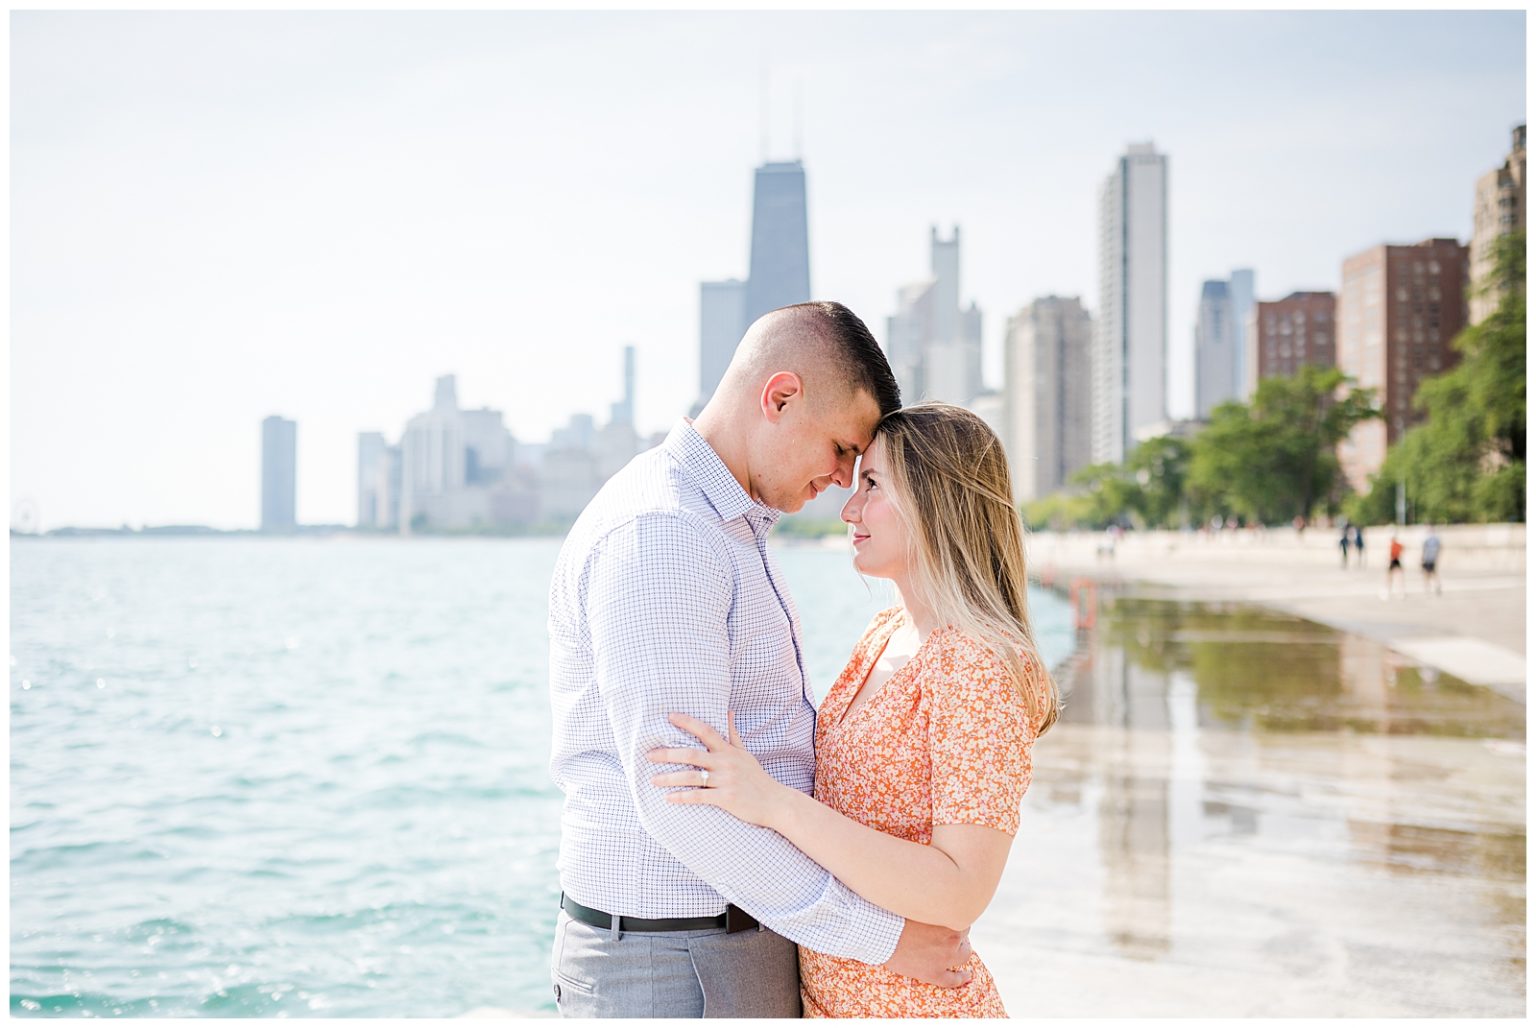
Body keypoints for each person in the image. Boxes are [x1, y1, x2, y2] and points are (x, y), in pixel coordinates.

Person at [546, 302, 971, 1018]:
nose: (843, 480)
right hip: (676, 959)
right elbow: (682, 805)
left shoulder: (725, 526)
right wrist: (882, 937)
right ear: (779, 397)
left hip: (724, 942)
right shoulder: (665, 534)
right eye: (841, 448)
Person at [649, 403, 1059, 1017]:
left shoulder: (974, 665)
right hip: (837, 1001)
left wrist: (773, 803)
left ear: (934, 500)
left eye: (872, 485)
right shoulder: (885, 632)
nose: (848, 509)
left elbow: (960, 891)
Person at [1422, 525, 1442, 595]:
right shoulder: (1436, 539)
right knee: (1434, 573)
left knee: (1427, 574)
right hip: (1433, 558)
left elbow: (1424, 550)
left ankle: (1428, 588)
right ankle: (1436, 585)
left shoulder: (1427, 539)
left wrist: (1422, 559)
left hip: (1428, 558)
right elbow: (1439, 548)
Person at [1386, 533, 1406, 598]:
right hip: (1397, 560)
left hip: (1393, 560)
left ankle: (1389, 590)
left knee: (1390, 576)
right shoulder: (1398, 544)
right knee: (1398, 576)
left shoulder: (1393, 544)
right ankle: (1400, 591)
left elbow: (1390, 554)